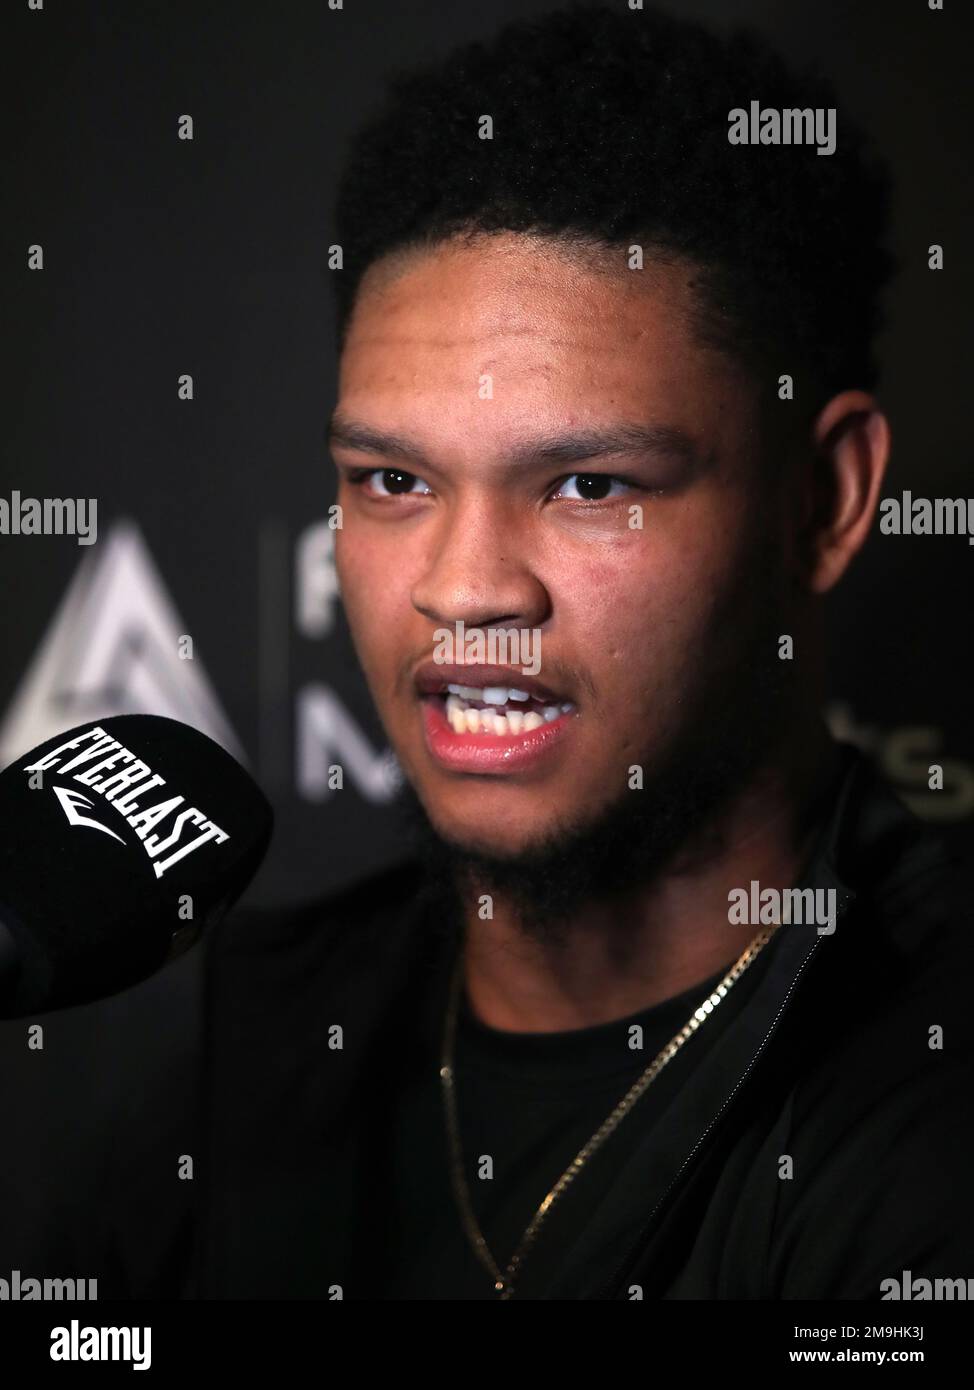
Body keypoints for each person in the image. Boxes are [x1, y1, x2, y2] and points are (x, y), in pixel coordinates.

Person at [3, 2, 972, 1302]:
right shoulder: (239, 1040)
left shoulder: (923, 1093)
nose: (462, 589)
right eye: (393, 477)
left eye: (586, 483)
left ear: (826, 498)